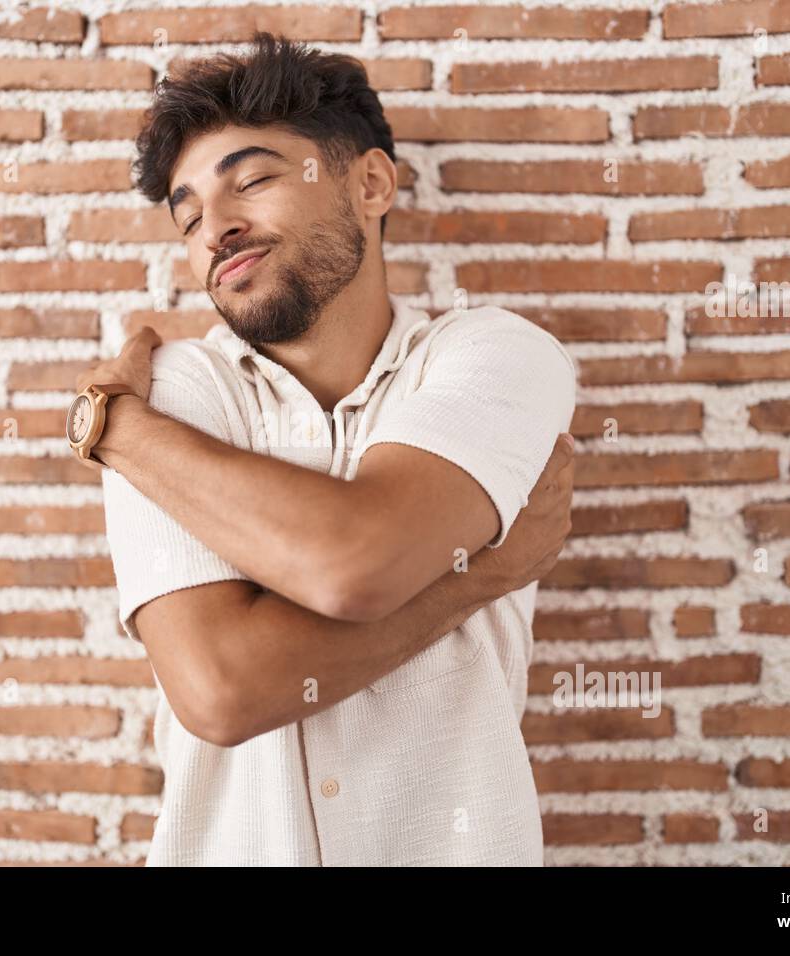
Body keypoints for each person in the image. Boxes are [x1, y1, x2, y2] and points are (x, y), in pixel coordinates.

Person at [72, 32, 578, 866]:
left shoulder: (499, 356)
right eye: (189, 214)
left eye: (254, 181)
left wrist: (115, 431)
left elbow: (357, 562)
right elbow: (222, 691)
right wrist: (482, 573)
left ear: (371, 182)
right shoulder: (170, 396)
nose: (216, 230)